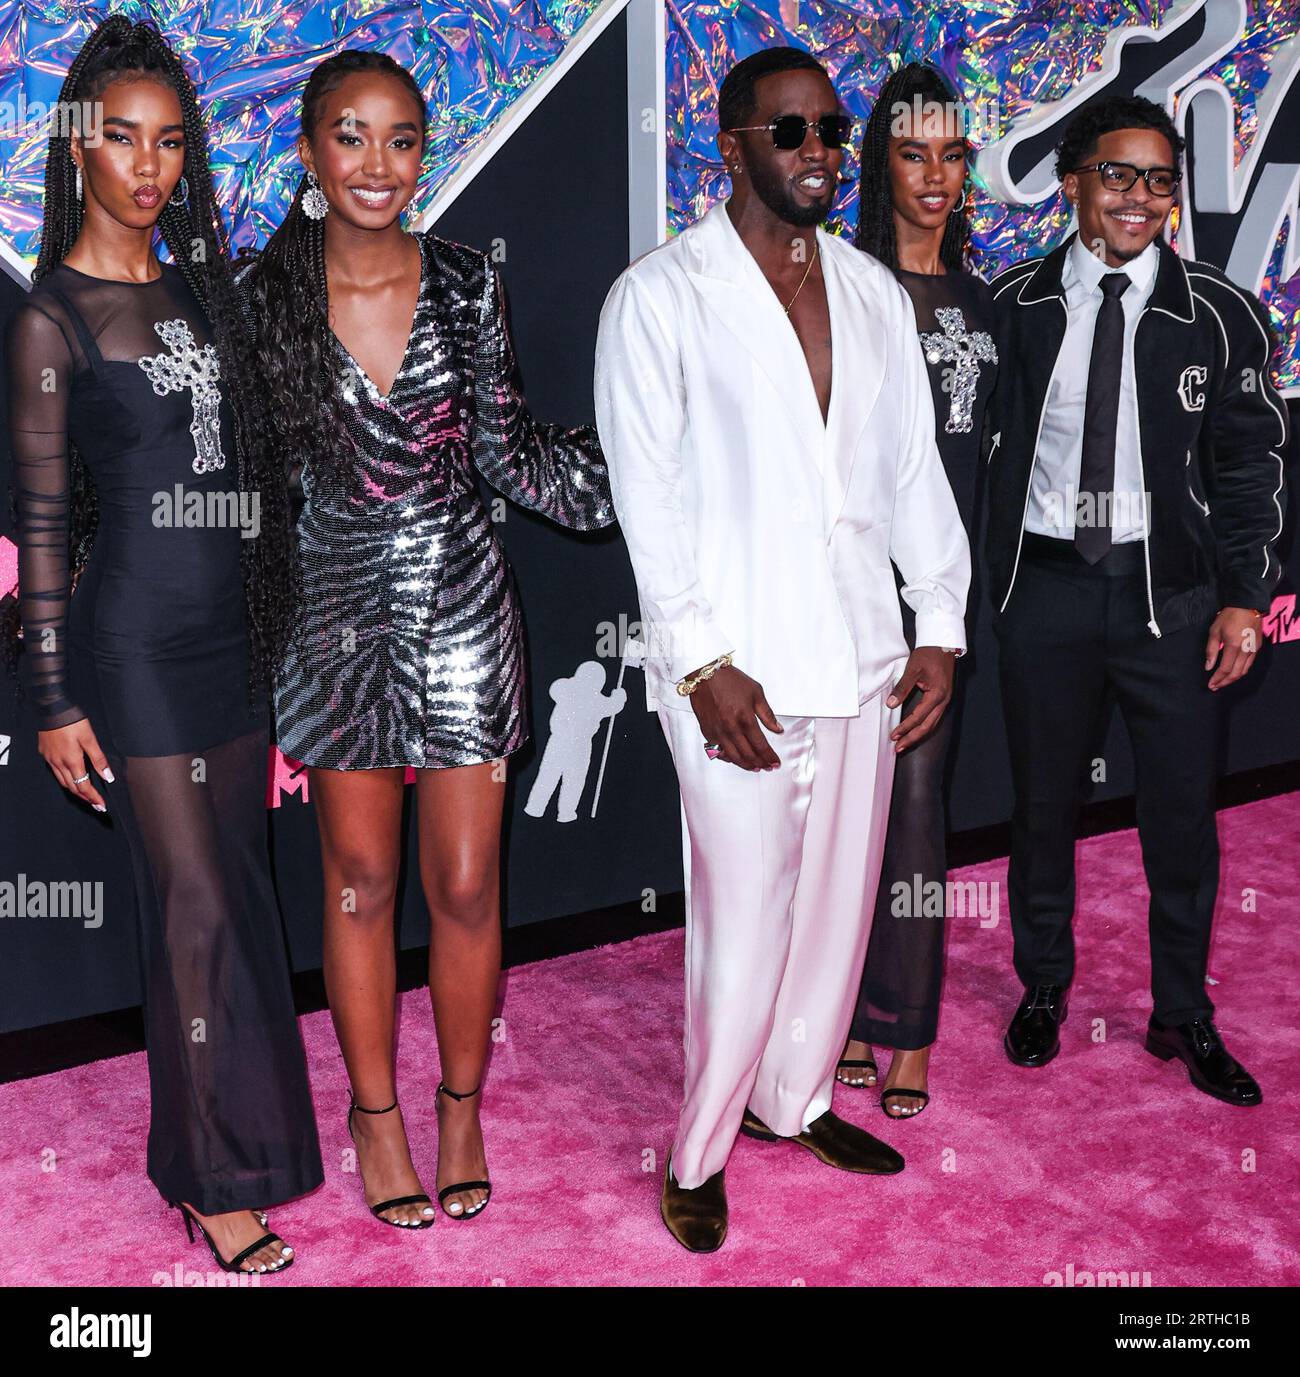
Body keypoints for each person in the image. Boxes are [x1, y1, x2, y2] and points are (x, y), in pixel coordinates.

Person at [595, 46, 970, 1252]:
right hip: (734, 671)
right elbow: (647, 501)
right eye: (790, 130)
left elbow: (910, 470)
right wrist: (699, 662)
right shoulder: (659, 297)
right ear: (732, 147)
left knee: (835, 908)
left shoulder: (869, 292)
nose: (818, 151)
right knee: (744, 914)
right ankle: (698, 1148)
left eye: (830, 130)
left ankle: (793, 1099)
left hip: (860, 650)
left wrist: (939, 621)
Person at [244, 50, 613, 1227]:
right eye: (350, 137)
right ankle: (374, 1116)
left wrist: (655, 475)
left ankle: (460, 1105)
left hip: (461, 608)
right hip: (332, 618)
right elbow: (249, 491)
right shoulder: (262, 299)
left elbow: (511, 454)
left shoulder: (464, 280)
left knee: (463, 881)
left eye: (400, 139)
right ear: (311, 152)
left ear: (422, 153)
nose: (377, 164)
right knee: (359, 885)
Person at [4, 16, 322, 1273]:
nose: (149, 166)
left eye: (171, 142)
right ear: (78, 148)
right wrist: (51, 696)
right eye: (124, 140)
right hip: (131, 654)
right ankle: (209, 1179)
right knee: (190, 905)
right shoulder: (51, 321)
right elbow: (42, 523)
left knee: (241, 896)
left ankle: (248, 1144)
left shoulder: (203, 289)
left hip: (227, 644)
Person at [986, 94, 1288, 1105]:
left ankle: (1181, 1013)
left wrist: (1245, 598)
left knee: (1182, 818)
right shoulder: (1013, 307)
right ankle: (1043, 985)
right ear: (1072, 182)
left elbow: (1249, 465)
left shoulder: (1220, 314)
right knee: (1041, 809)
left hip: (1174, 605)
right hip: (1046, 593)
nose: (1140, 198)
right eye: (1117, 174)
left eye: (1160, 180)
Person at [836, 63, 998, 1119]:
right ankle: (846, 1006)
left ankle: (907, 1027)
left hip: (945, 594)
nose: (934, 176)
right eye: (911, 153)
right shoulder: (845, 291)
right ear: (879, 165)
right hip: (855, 587)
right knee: (847, 812)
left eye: (951, 154)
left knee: (918, 807)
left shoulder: (987, 302)